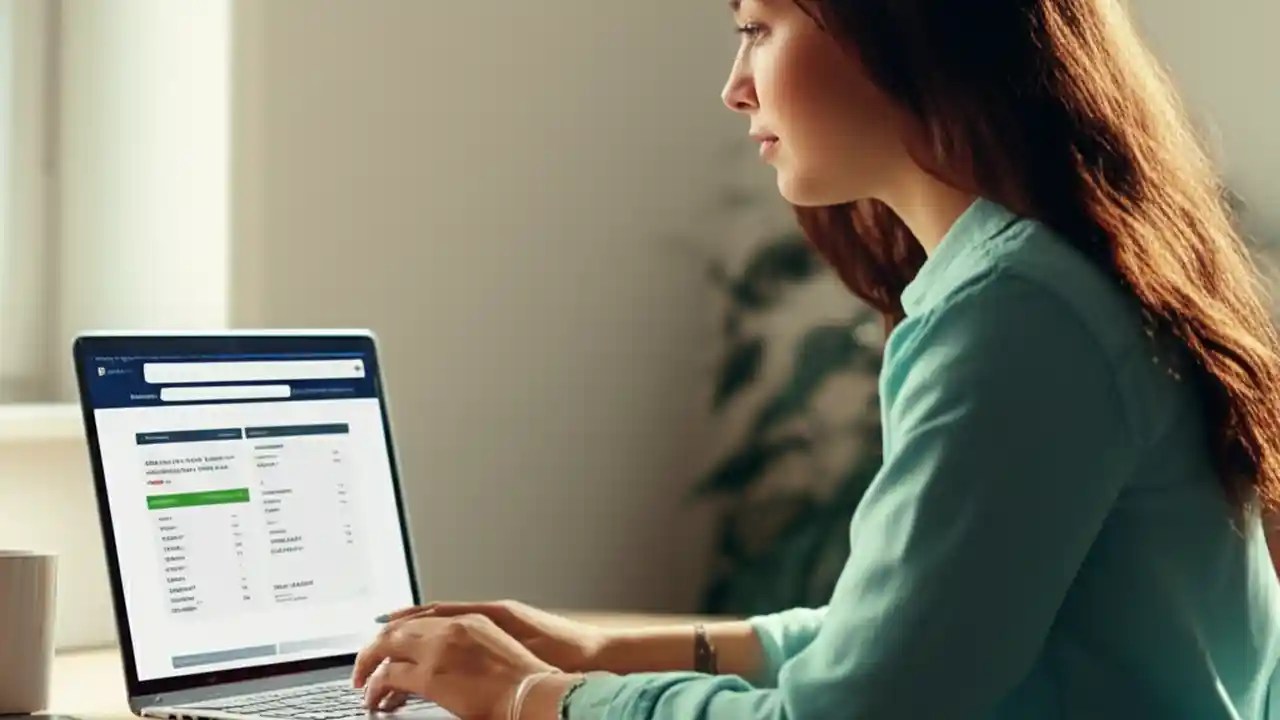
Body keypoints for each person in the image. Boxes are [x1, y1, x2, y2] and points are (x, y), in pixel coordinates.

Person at [351, 0, 1280, 717]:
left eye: (757, 29)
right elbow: (904, 643)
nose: (735, 87)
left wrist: (531, 698)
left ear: (902, 26)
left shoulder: (1019, 314)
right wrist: (598, 654)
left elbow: (852, 711)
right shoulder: (1058, 278)